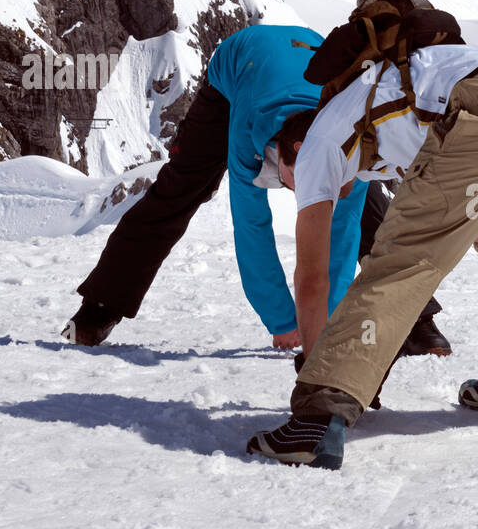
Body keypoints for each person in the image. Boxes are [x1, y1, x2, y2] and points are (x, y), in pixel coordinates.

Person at [247, 19, 478, 469]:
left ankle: (317, 420)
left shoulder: (317, 144)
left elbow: (312, 277)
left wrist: (318, 369)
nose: (293, 187)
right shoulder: (377, 113)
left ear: (292, 146)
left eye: (282, 177)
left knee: (402, 262)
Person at [64, 24, 451, 359]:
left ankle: (417, 318)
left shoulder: (345, 136)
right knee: (180, 188)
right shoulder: (248, 129)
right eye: (305, 183)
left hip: (310, 61)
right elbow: (252, 228)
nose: (310, 197)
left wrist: (322, 320)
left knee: (367, 209)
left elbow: (342, 233)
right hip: (239, 69)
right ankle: (99, 308)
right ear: (289, 154)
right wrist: (283, 319)